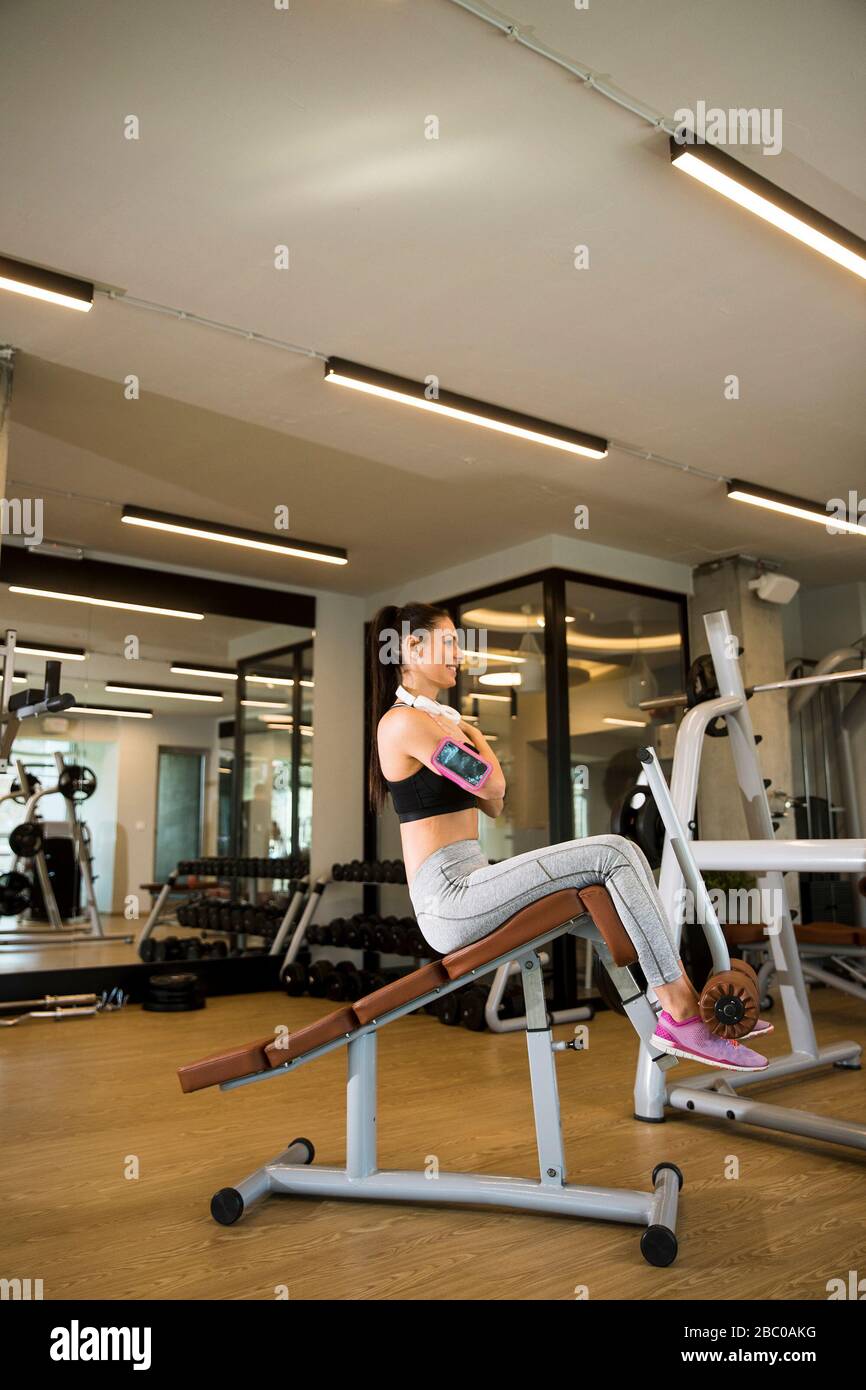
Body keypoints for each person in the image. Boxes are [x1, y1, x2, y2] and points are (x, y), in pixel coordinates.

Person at [370, 601, 771, 1072]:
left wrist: (471, 743)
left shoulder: (439, 721)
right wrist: (475, 736)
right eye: (449, 643)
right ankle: (680, 1012)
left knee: (614, 870)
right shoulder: (403, 722)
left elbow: (494, 805)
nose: (460, 654)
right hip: (449, 898)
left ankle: (678, 1002)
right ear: (412, 648)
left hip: (474, 880)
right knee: (613, 851)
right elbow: (492, 787)